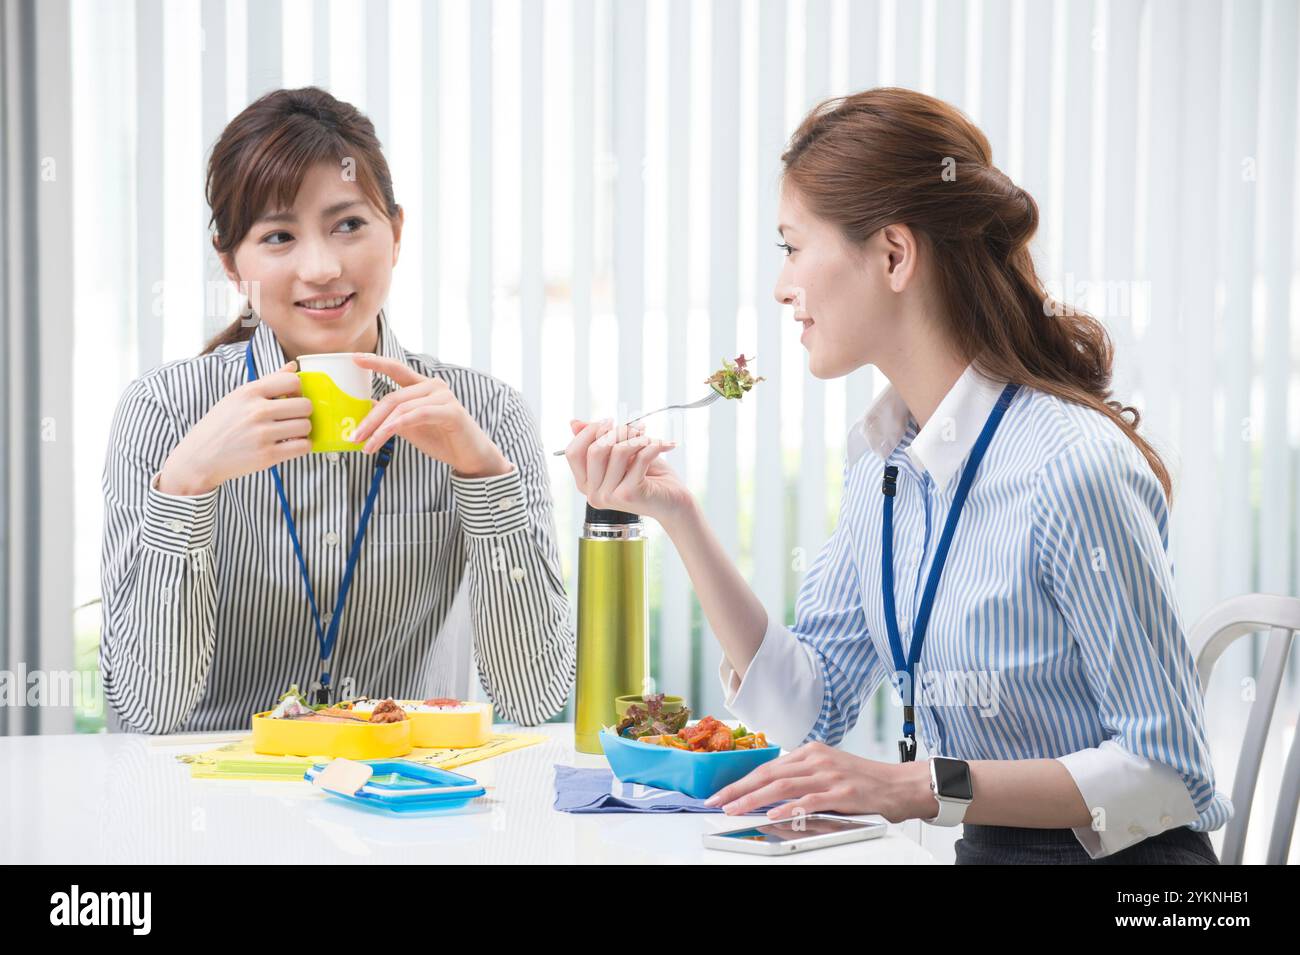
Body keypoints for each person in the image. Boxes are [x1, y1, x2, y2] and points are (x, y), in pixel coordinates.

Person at [563, 87, 1230, 864]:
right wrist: (677, 515)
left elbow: (1172, 769)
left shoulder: (1070, 466)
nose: (782, 286)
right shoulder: (887, 461)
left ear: (892, 254)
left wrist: (916, 785)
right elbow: (804, 713)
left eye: (791, 246)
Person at [101, 87, 574, 734]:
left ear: (397, 232)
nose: (321, 268)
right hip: (212, 807)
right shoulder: (163, 411)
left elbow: (533, 696)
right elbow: (146, 710)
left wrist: (483, 477)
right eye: (278, 236)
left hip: (403, 808)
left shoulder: (486, 412)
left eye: (348, 225)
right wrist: (185, 486)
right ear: (232, 265)